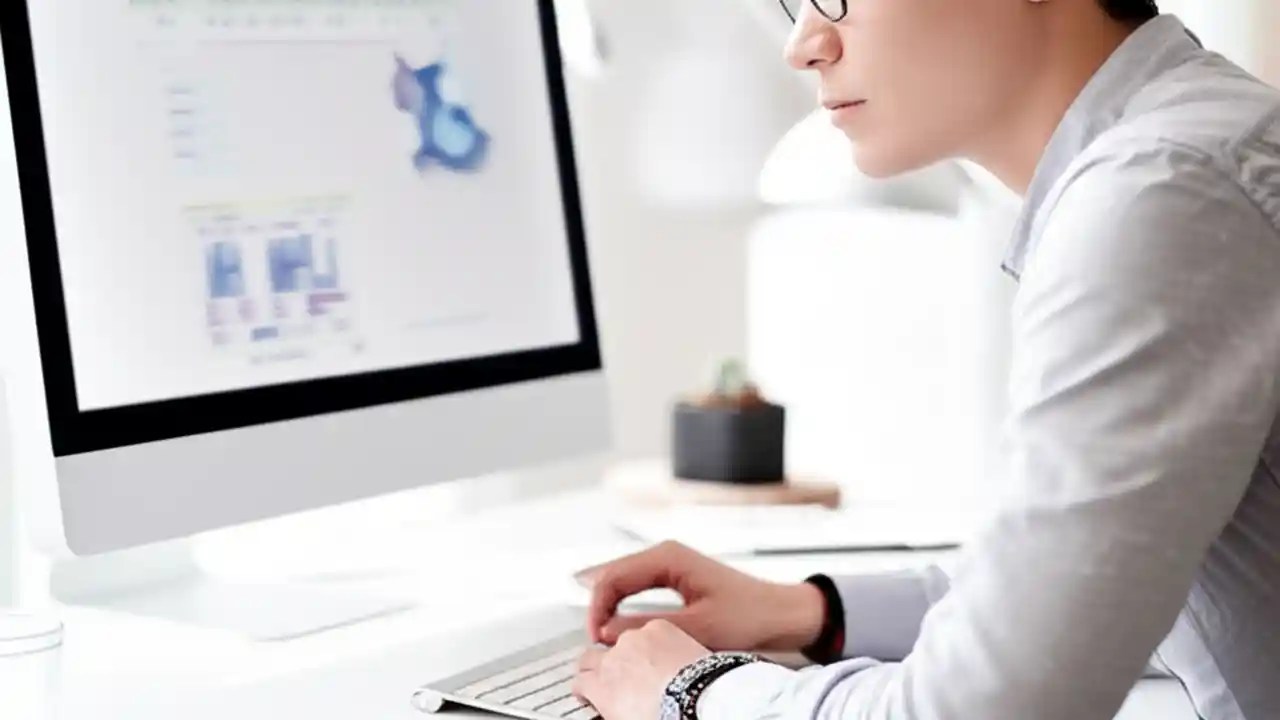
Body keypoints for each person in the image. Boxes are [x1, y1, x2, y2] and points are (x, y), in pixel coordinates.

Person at [570, 1, 1280, 719]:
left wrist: (695, 692)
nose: (803, 44)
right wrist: (813, 611)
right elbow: (1094, 589)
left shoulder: (1161, 193)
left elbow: (982, 707)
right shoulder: (1201, 138)